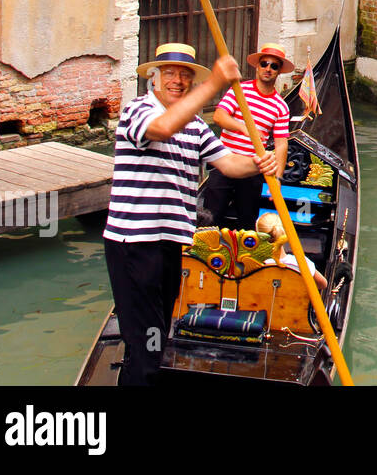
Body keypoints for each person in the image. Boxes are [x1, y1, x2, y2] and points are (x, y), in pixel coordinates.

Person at [104, 43, 277, 386]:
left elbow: (228, 163)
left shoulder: (195, 126)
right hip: (134, 244)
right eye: (169, 73)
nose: (178, 81)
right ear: (153, 78)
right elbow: (161, 129)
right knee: (146, 345)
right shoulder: (137, 111)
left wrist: (262, 163)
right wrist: (214, 83)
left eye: (185, 75)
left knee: (154, 336)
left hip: (170, 244)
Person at [204, 42, 294, 229]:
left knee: (247, 223)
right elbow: (219, 116)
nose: (268, 69)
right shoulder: (240, 90)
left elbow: (281, 144)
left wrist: (277, 179)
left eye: (274, 66)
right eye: (264, 64)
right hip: (224, 162)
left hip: (252, 169)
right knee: (211, 218)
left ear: (278, 72)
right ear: (257, 66)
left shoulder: (280, 106)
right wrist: (244, 127)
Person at [256, 212, 327, 291]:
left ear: (259, 237)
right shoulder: (299, 263)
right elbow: (323, 284)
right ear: (282, 232)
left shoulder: (254, 264)